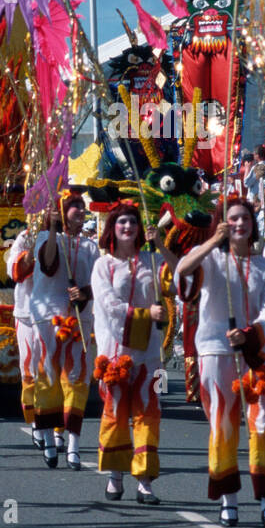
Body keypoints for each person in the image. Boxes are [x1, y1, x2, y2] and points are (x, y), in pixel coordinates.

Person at [175, 197, 265, 527]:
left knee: (263, 424)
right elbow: (182, 270)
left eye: (245, 218)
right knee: (222, 426)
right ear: (222, 223)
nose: (239, 224)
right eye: (232, 219)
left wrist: (250, 333)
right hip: (214, 351)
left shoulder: (264, 266)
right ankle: (228, 499)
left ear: (253, 224)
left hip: (254, 354)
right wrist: (212, 241)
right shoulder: (212, 261)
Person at [91, 201, 176, 505]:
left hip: (150, 355)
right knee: (115, 414)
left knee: (149, 415)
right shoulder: (103, 265)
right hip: (115, 353)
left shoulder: (152, 260)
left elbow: (178, 282)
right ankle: (115, 477)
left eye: (133, 222)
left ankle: (144, 482)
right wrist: (145, 313)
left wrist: (161, 246)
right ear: (112, 228)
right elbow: (108, 305)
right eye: (122, 222)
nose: (128, 227)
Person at [30, 191, 99, 470]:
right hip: (49, 316)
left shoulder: (91, 246)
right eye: (75, 208)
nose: (81, 212)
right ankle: (47, 435)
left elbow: (98, 281)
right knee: (48, 377)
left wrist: (83, 294)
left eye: (83, 208)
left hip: (80, 319)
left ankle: (73, 443)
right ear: (61, 211)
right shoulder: (46, 239)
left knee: (77, 379)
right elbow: (47, 266)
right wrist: (53, 230)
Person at [5, 227, 41, 448]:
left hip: (59, 315)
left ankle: (58, 429)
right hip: (28, 313)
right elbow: (15, 272)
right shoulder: (27, 236)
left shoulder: (72, 238)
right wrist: (31, 250)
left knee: (55, 372)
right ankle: (37, 421)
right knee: (31, 369)